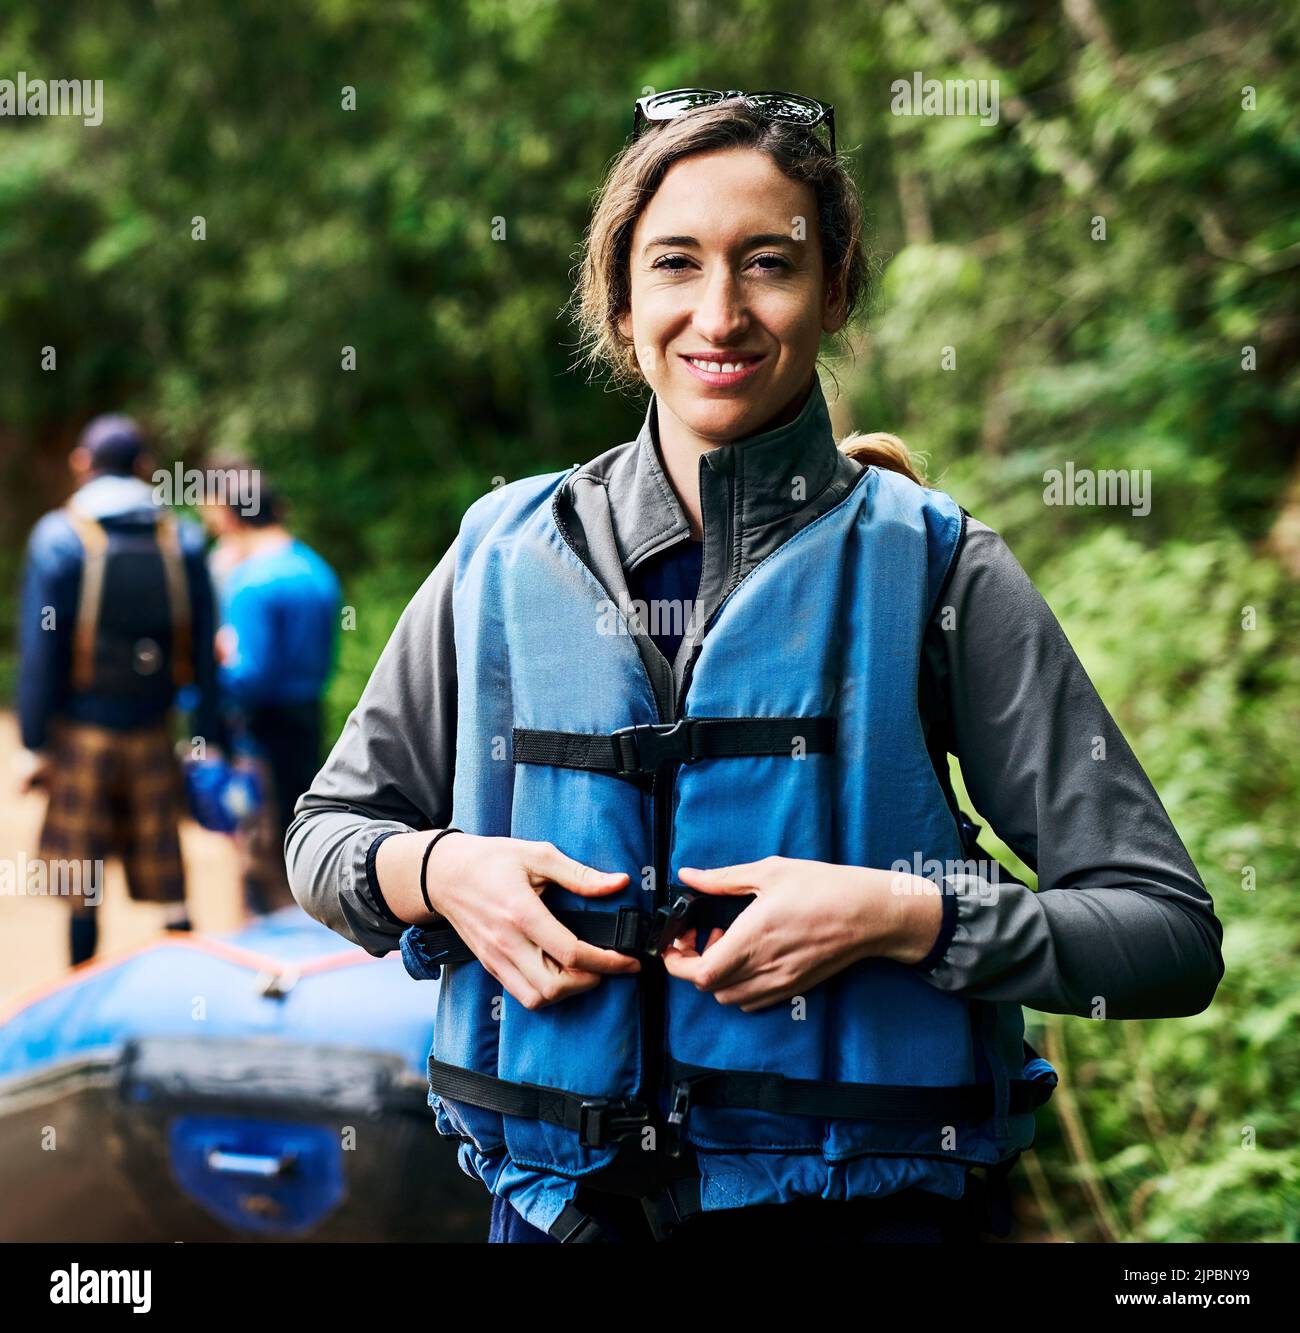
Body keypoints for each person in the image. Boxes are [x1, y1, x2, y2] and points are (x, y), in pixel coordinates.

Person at [285, 91, 1225, 1244]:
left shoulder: (935, 567)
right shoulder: (501, 550)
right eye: (675, 263)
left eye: (767, 264)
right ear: (621, 302)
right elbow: (325, 836)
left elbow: (1166, 938)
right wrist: (437, 875)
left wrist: (903, 914)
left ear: (832, 294)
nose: (718, 313)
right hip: (555, 1215)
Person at [16, 414, 221, 965]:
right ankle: (186, 984)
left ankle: (81, 982)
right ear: (145, 467)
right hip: (155, 727)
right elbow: (204, 649)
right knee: (167, 868)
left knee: (81, 878)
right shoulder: (181, 537)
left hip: (83, 731)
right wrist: (208, 733)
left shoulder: (61, 535)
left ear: (83, 464)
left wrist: (35, 739)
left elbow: (41, 652)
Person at [201, 467, 340, 915]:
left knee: (262, 855)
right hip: (307, 718)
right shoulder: (318, 570)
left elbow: (249, 676)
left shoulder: (251, 582)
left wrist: (206, 669)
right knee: (301, 832)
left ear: (233, 519)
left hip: (261, 733)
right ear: (279, 510)